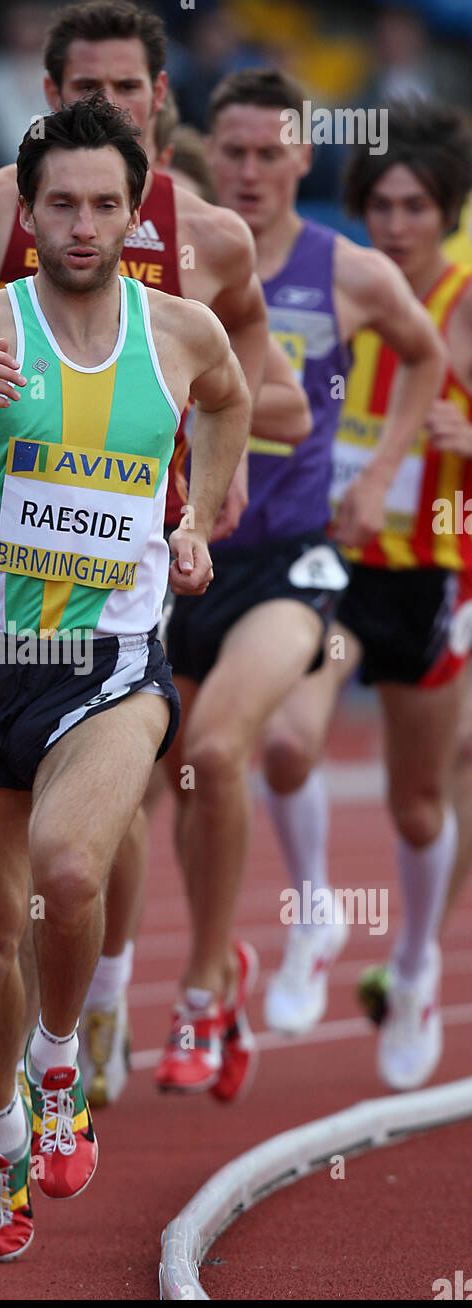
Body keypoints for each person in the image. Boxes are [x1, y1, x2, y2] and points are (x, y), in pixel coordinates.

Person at [0, 94, 251, 1262]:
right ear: (24, 214)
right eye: (59, 205)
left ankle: (61, 1063)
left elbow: (225, 406)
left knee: (71, 871)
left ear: (134, 215)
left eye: (104, 205)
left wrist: (195, 524)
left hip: (113, 660)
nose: (82, 225)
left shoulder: (179, 331)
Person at [154, 68, 445, 1099]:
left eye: (266, 153)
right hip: (168, 557)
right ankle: (199, 973)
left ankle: (226, 977)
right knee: (184, 780)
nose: (245, 170)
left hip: (290, 557)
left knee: (242, 746)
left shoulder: (347, 270)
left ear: (298, 161)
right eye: (228, 150)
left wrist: (372, 471)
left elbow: (419, 355)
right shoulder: (170, 257)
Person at [262, 100, 472, 1088]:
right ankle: (313, 915)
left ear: (444, 212)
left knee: (418, 803)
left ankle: (417, 959)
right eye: (379, 204)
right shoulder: (334, 291)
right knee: (283, 739)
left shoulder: (464, 302)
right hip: (332, 568)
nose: (394, 223)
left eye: (415, 206)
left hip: (431, 573)